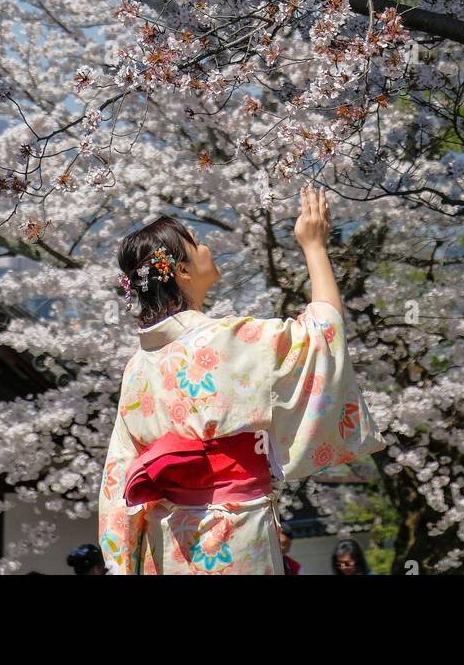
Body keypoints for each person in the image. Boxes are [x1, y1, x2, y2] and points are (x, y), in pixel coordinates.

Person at [98, 184, 385, 575]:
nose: (205, 248)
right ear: (181, 271)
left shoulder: (138, 366)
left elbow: (119, 472)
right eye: (195, 242)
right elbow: (322, 335)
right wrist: (314, 247)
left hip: (166, 540)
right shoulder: (227, 340)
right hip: (233, 531)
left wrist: (122, 561)